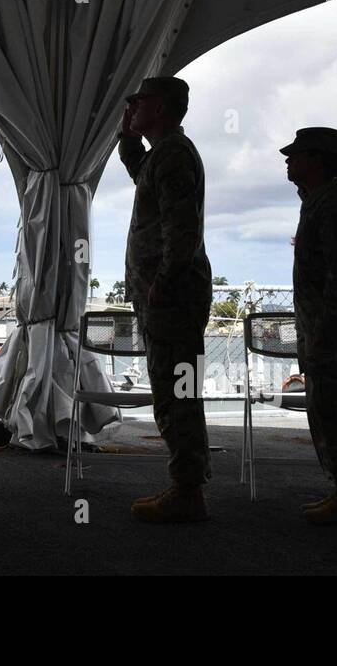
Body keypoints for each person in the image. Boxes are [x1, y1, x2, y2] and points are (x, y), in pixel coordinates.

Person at [119, 75, 213, 523]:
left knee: (177, 391)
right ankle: (186, 484)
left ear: (161, 108)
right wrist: (127, 136)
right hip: (167, 295)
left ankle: (186, 489)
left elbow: (182, 229)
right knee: (175, 388)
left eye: (139, 101)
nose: (132, 105)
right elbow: (141, 173)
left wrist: (164, 282)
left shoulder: (174, 153)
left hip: (172, 298)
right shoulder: (164, 154)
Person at [281, 127, 337, 525]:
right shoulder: (319, 202)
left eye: (297, 155)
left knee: (333, 410)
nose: (288, 161)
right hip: (324, 324)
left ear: (317, 160)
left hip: (333, 326)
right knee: (325, 408)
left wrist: (324, 333)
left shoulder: (333, 205)